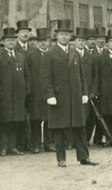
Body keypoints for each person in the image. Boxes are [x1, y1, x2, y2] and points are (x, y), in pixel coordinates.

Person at [39, 19, 96, 168]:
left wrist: (84, 92)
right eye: (61, 34)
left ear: (70, 37)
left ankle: (84, 157)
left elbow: (82, 75)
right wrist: (49, 95)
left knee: (79, 127)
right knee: (59, 128)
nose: (64, 37)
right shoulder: (50, 54)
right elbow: (45, 78)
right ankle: (61, 159)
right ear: (57, 36)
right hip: (59, 97)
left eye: (67, 34)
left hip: (75, 96)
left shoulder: (74, 53)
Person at [0, 26, 28, 155]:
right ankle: (3, 147)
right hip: (4, 95)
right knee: (4, 122)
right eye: (8, 40)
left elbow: (26, 75)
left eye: (13, 40)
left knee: (15, 121)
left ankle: (12, 146)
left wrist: (25, 91)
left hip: (18, 95)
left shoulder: (21, 57)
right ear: (4, 41)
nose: (11, 42)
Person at [25, 27, 50, 152]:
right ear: (37, 42)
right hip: (35, 93)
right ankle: (35, 144)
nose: (43, 43)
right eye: (40, 41)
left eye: (45, 40)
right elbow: (27, 75)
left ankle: (48, 143)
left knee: (49, 119)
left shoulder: (53, 54)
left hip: (49, 92)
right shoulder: (30, 56)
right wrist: (29, 92)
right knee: (35, 120)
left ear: (49, 41)